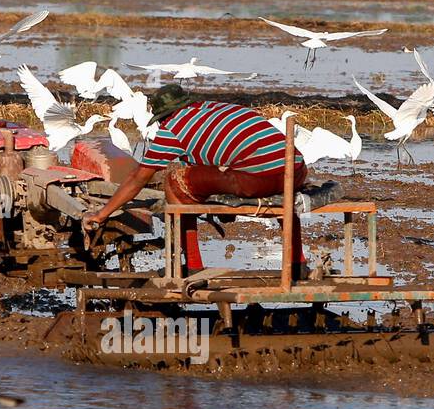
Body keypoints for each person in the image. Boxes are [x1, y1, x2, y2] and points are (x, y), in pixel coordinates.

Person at [80, 84, 307, 273]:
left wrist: (101, 213)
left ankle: (193, 266)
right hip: (296, 170)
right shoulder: (216, 108)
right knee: (280, 196)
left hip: (257, 179)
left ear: (163, 117)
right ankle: (298, 263)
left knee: (175, 181)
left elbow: (138, 177)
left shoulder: (172, 129)